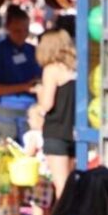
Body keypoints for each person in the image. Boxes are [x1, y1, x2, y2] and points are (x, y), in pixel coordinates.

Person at [26, 28, 76, 199]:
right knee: (73, 183)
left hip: (56, 131)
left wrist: (39, 97)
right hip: (73, 130)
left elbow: (47, 104)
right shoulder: (75, 69)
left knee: (61, 186)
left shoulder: (51, 70)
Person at [0, 6, 40, 141]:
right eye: (17, 31)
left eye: (26, 30)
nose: (22, 34)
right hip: (6, 111)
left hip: (32, 111)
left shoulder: (32, 50)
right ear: (8, 28)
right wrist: (23, 87)